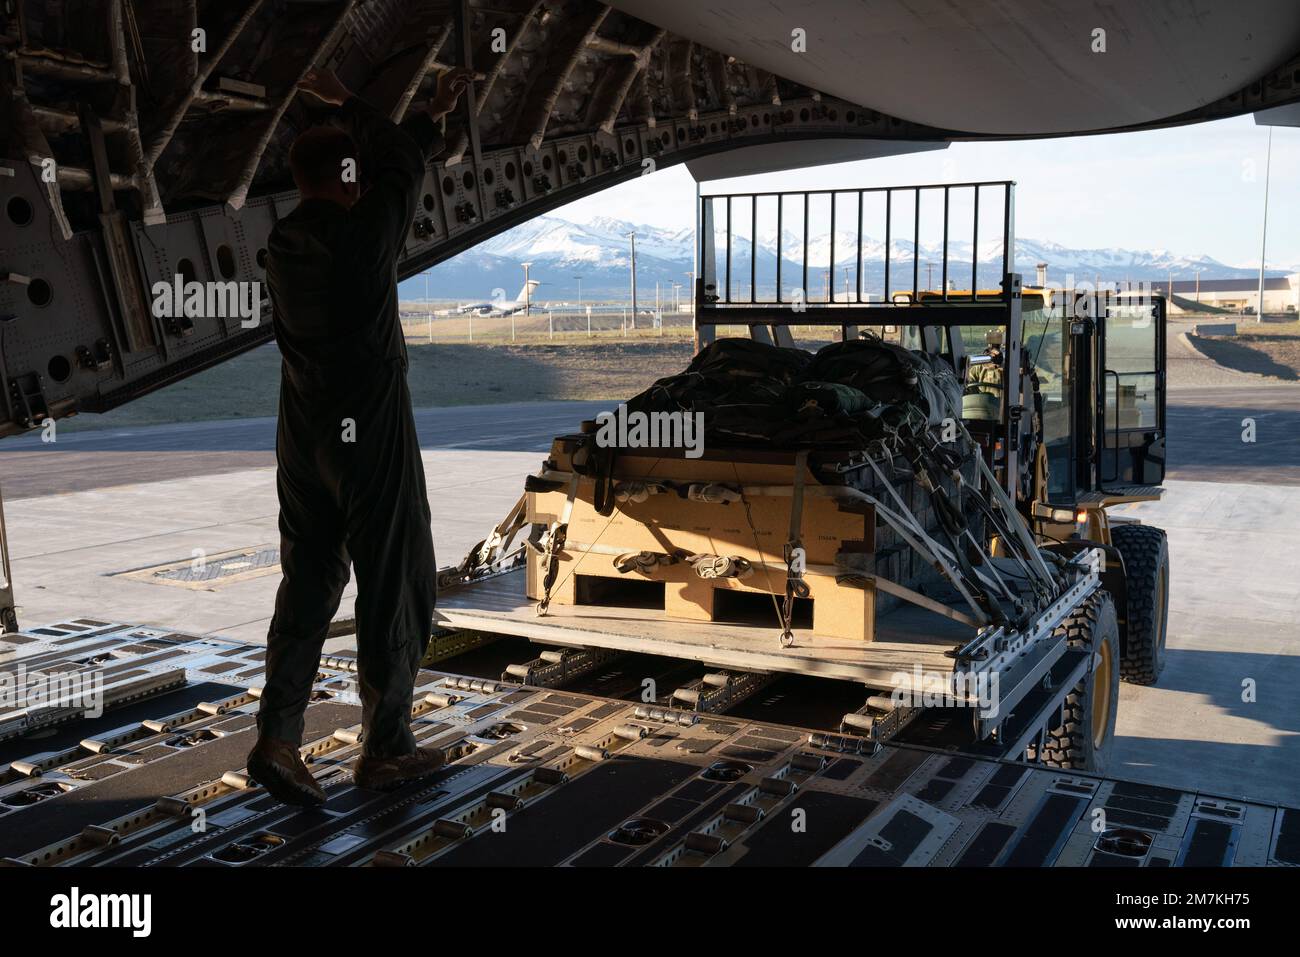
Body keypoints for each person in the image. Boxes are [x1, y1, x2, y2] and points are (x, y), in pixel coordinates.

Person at [246, 66, 473, 806]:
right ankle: (387, 748)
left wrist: (422, 123)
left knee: (309, 576)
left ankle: (279, 737)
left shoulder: (282, 246)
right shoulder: (364, 235)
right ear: (349, 179)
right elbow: (399, 166)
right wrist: (350, 99)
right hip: (367, 428)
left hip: (303, 430)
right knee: (393, 577)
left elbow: (389, 164)